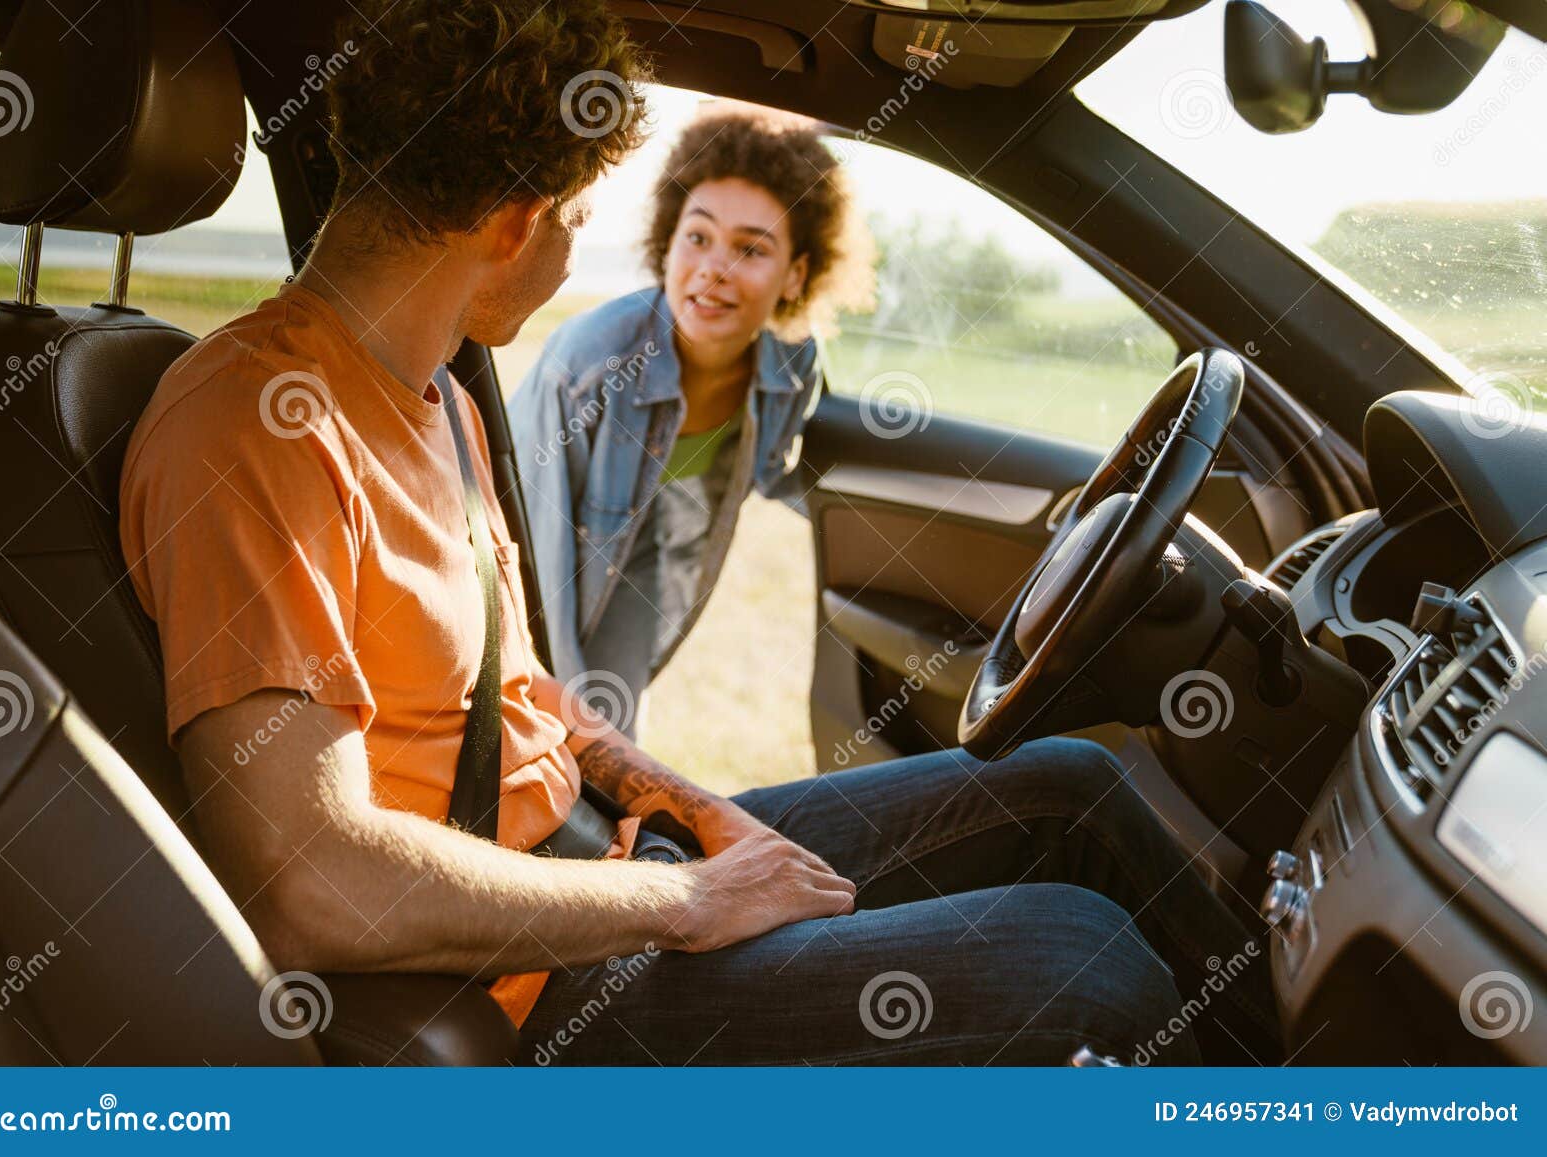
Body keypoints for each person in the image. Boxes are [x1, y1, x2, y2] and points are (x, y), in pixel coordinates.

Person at [118, 0, 1277, 1065]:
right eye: (577, 216)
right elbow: (309, 879)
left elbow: (525, 697)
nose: (583, 249)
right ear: (519, 220)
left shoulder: (441, 405)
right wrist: (686, 901)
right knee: (1082, 961)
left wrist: (694, 811)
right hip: (535, 988)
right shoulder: (256, 426)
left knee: (1068, 789)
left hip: (602, 865)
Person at [509, 109, 872, 737]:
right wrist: (571, 733)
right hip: (536, 560)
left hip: (650, 549)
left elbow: (773, 469)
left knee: (614, 729)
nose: (715, 268)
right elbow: (534, 562)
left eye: (750, 248)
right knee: (586, 740)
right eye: (698, 237)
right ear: (668, 240)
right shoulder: (589, 367)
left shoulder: (793, 360)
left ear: (797, 274)